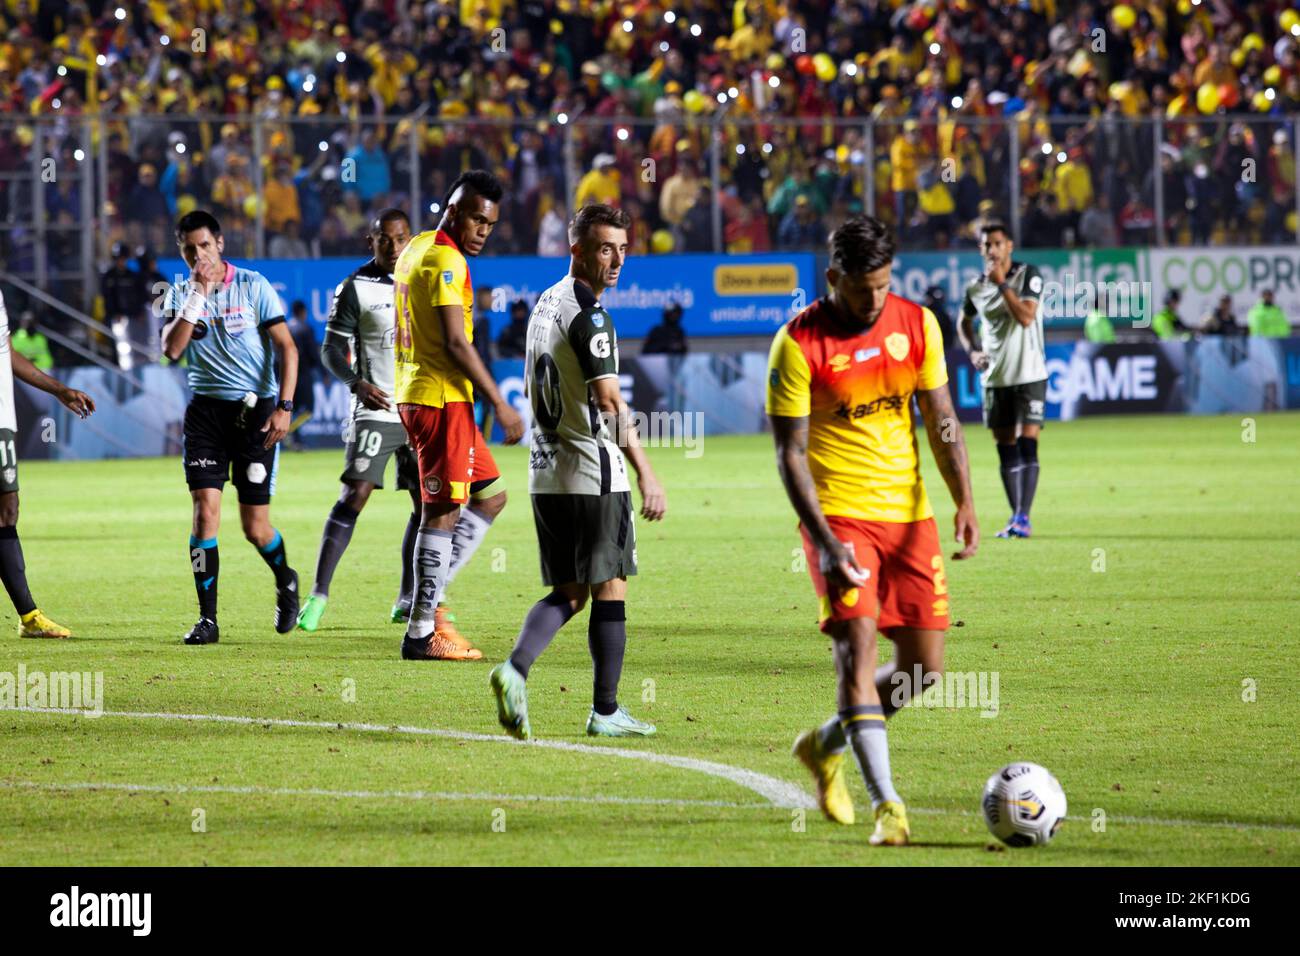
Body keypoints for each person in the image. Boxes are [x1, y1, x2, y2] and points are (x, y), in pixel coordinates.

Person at [768, 215, 978, 846]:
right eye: (863, 290)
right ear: (833, 278)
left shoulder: (918, 325)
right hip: (840, 517)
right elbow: (789, 455)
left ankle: (825, 744)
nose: (875, 301)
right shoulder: (798, 343)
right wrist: (828, 545)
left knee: (923, 670)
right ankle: (890, 805)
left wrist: (964, 499)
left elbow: (941, 419)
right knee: (856, 655)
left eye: (884, 287)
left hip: (911, 518)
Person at [489, 204, 666, 739]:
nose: (616, 260)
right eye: (604, 248)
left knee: (569, 591)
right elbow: (610, 403)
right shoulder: (592, 316)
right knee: (610, 587)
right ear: (578, 250)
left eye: (623, 248)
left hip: (545, 475)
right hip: (592, 473)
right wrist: (646, 472)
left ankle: (514, 671)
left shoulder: (546, 302)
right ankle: (606, 711)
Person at [391, 170, 524, 661]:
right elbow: (453, 341)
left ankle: (427, 599)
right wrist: (499, 400)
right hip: (439, 399)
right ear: (452, 210)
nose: (483, 231)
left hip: (422, 393)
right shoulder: (447, 261)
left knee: (490, 497)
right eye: (476, 219)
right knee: (442, 512)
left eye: (490, 223)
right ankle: (422, 630)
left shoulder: (417, 247)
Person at [160, 209, 301, 645]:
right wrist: (197, 295)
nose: (197, 254)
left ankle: (286, 579)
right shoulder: (181, 292)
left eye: (204, 245)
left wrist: (284, 407)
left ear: (220, 243)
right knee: (205, 512)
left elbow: (288, 349)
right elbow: (171, 348)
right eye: (188, 248)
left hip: (256, 415)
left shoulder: (253, 285)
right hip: (206, 415)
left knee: (255, 528)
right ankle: (208, 619)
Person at [298, 209, 431, 632]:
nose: (393, 248)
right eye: (383, 239)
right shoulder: (355, 287)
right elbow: (331, 350)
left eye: (400, 238)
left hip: (421, 410)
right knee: (355, 493)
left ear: (411, 238)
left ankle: (407, 598)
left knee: (427, 506)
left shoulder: (424, 281)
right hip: (376, 410)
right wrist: (356, 383)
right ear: (369, 241)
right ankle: (318, 594)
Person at [0, 288, 96, 639]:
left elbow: (5, 350)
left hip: (3, 418)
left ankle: (30, 618)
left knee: (8, 509)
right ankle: (29, 615)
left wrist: (58, 389)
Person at [959, 222, 1047, 540]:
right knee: (1006, 449)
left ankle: (1023, 516)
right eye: (986, 245)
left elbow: (1025, 317)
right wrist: (972, 352)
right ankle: (1016, 516)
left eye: (997, 243)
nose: (992, 250)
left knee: (1028, 443)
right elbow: (963, 322)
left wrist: (1001, 286)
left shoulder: (1028, 274)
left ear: (1009, 245)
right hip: (995, 378)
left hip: (1030, 374)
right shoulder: (975, 287)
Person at [286, 299, 318, 437]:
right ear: (303, 312)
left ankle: (295, 439)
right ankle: (289, 431)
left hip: (288, 375)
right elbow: (313, 352)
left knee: (292, 408)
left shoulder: (286, 327)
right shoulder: (305, 328)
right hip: (304, 375)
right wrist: (323, 372)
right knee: (308, 410)